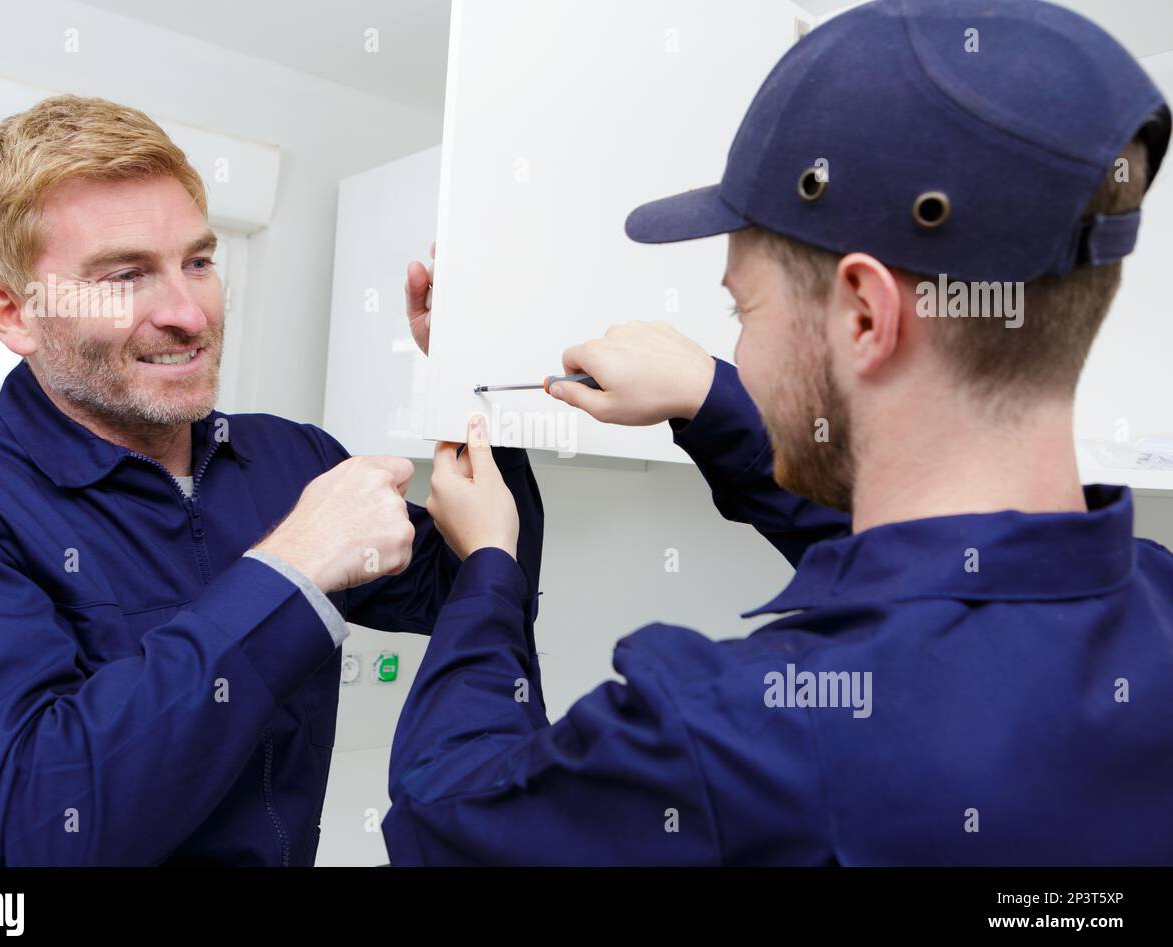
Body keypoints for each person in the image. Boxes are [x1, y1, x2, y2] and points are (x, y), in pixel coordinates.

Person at [382, 0, 1173, 864]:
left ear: (867, 317)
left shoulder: (743, 743)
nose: (736, 347)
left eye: (740, 308)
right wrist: (704, 397)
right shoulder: (1152, 603)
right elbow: (938, 575)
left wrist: (487, 567)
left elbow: (445, 809)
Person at [0, 95, 542, 865]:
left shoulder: (298, 461)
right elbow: (12, 834)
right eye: (126, 276)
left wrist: (478, 377)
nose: (190, 313)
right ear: (12, 313)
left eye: (197, 261)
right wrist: (292, 569)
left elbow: (486, 583)